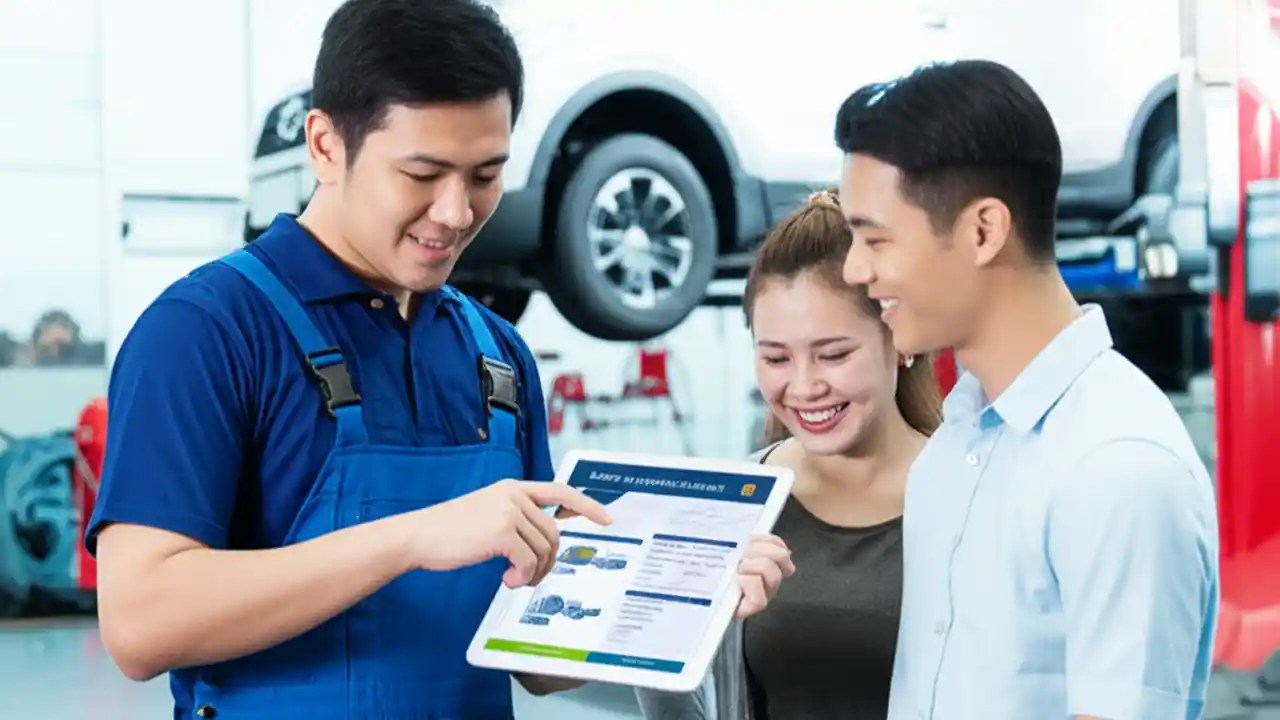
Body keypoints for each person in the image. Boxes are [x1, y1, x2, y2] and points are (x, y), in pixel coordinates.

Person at [84, 2, 792, 718]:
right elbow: (142, 624)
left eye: (486, 174)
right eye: (422, 173)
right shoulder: (206, 332)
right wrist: (413, 537)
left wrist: (682, 596)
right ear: (326, 146)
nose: (455, 211)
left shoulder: (497, 359)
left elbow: (534, 657)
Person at [834, 59, 1220, 720]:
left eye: (876, 239)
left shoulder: (1117, 468)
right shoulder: (954, 451)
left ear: (984, 230)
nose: (854, 269)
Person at [635, 190, 943, 720]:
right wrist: (661, 621)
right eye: (775, 357)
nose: (803, 386)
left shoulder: (974, 501)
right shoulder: (732, 507)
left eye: (834, 354)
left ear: (901, 338)